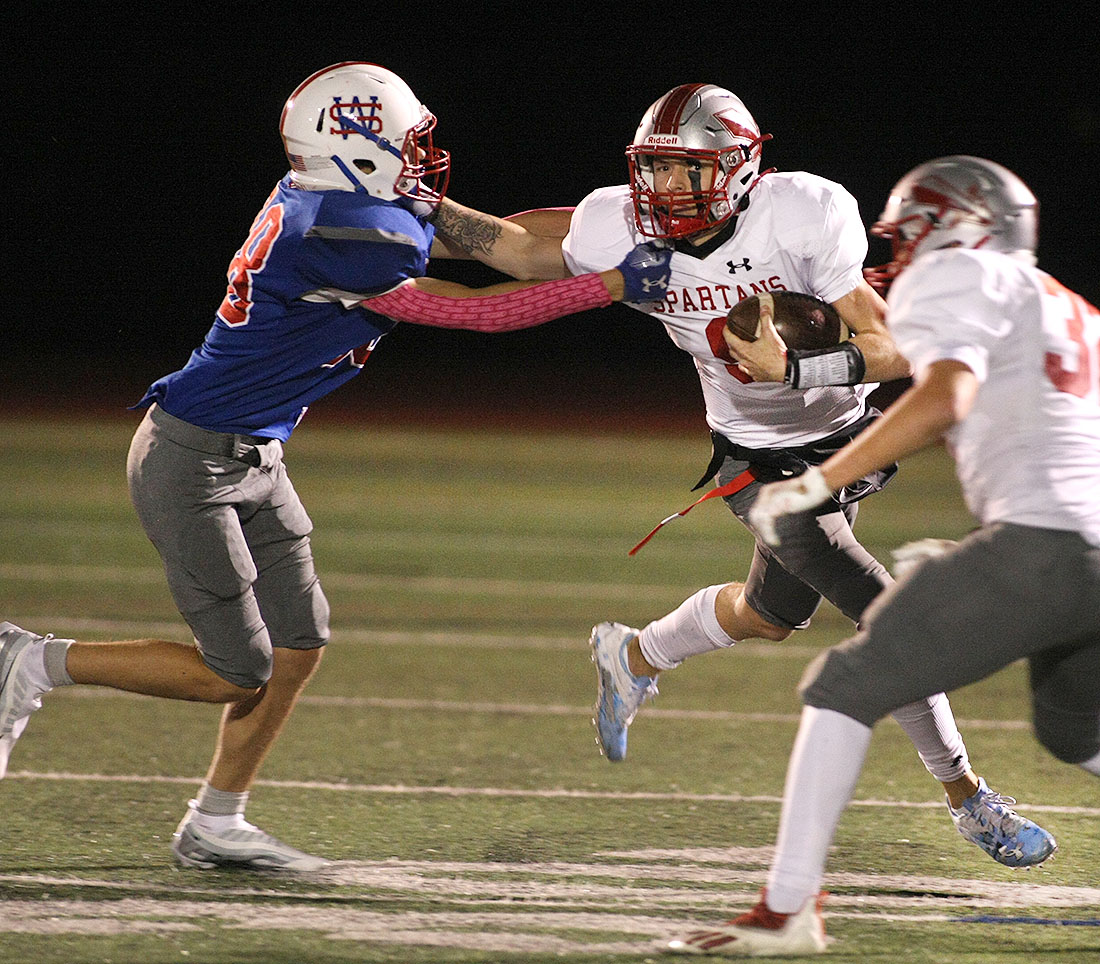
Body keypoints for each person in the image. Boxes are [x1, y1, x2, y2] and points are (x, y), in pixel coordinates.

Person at [0, 61, 672, 871]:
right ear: (356, 147)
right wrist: (606, 289)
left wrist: (634, 225)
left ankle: (215, 823)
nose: (424, 154)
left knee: (301, 640)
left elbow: (519, 249)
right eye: (407, 140)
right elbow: (476, 311)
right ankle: (26, 660)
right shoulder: (343, 228)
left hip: (252, 454)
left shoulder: (351, 201)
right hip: (192, 461)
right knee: (233, 670)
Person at [430, 85, 1055, 867]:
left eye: (685, 171)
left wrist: (800, 366)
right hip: (761, 463)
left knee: (770, 612)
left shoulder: (799, 213)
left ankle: (634, 655)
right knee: (890, 618)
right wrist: (387, 212)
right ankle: (969, 797)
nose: (661, 190)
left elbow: (901, 347)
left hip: (849, 436)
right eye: (652, 170)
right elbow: (511, 247)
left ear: (738, 166)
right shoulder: (617, 223)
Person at [665, 155, 1100, 956]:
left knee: (845, 685)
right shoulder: (1067, 304)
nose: (896, 258)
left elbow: (944, 395)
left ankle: (787, 910)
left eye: (907, 237)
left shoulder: (959, 276)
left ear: (954, 226)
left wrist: (821, 481)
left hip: (1049, 544)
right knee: (1076, 734)